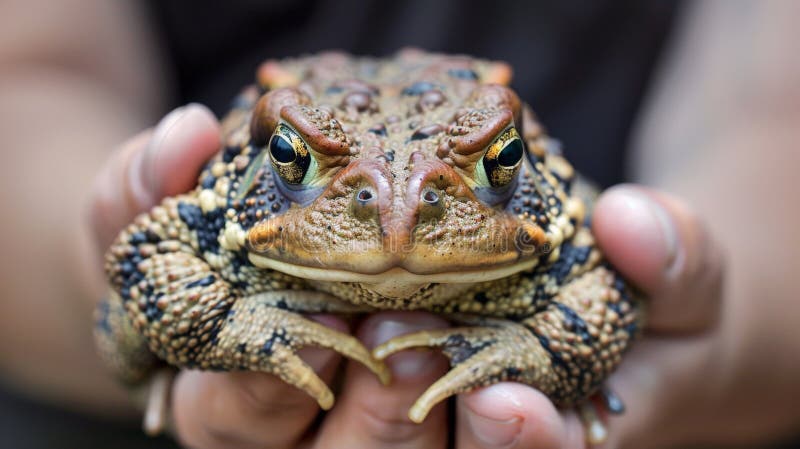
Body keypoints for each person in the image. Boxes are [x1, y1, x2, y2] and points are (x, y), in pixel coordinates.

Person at [1, 0, 799, 448]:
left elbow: (774, 116)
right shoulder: (230, 214)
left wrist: (712, 347)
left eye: (489, 163)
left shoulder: (541, 229)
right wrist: (179, 323)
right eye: (294, 157)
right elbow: (141, 250)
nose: (397, 213)